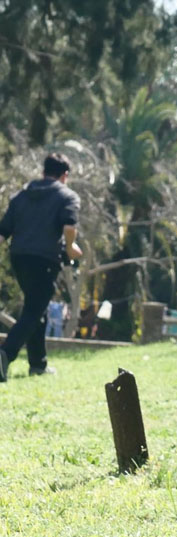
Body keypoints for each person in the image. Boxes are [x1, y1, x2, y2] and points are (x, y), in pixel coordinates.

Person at [0, 153, 82, 381]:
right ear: (64, 175)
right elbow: (69, 225)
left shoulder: (22, 196)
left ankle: (38, 364)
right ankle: (5, 353)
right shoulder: (68, 196)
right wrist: (71, 246)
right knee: (34, 310)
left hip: (18, 258)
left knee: (37, 308)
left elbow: (3, 230)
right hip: (44, 259)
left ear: (44, 172)